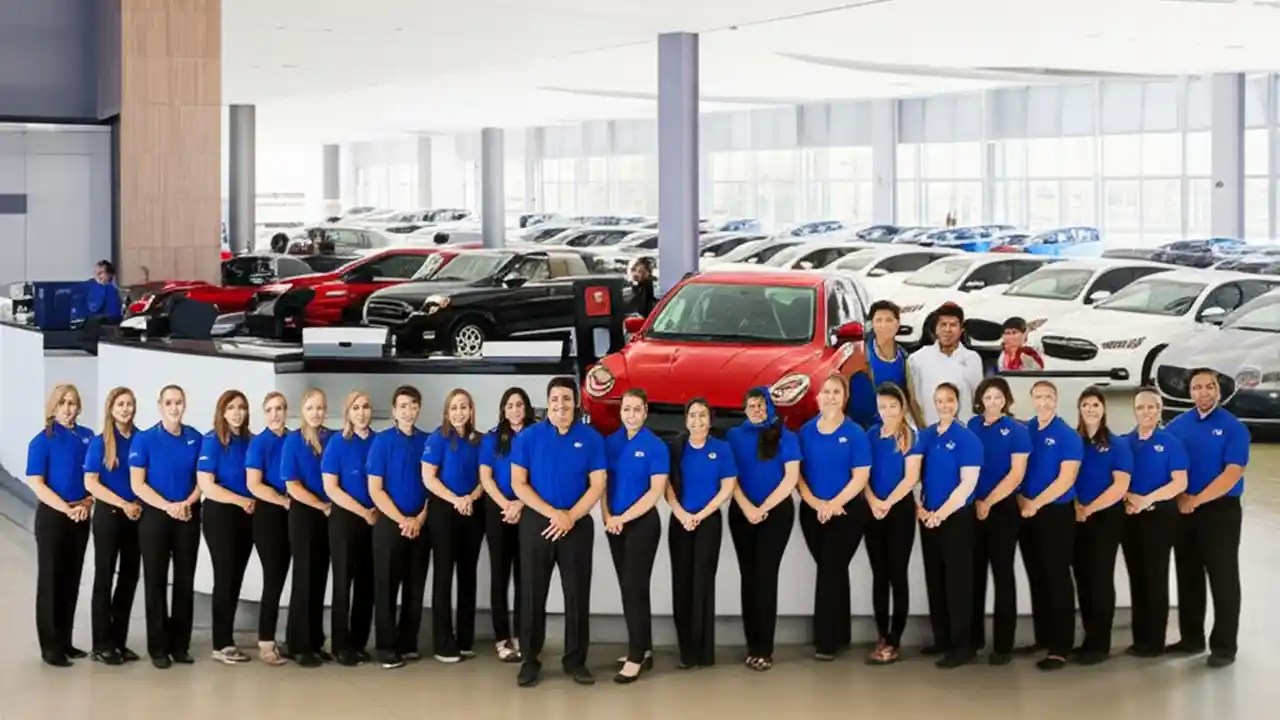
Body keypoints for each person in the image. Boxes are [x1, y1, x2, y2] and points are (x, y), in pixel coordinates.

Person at [510, 377, 607, 688]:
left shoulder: (591, 439)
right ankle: (530, 659)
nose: (561, 405)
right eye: (555, 399)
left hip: (577, 526)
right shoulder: (528, 437)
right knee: (532, 594)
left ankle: (575, 660)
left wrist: (570, 517)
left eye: (567, 399)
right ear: (547, 402)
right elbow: (518, 483)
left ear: (576, 403)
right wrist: (553, 514)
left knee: (577, 595)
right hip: (537, 523)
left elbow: (597, 484)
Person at [1165, 369, 1249, 668]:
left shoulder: (1234, 428)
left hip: (1219, 510)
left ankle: (1225, 646)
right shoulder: (1177, 426)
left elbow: (1232, 473)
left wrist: (1196, 499)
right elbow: (1166, 465)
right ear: (1190, 392)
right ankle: (1191, 638)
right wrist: (1179, 500)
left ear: (1218, 390)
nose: (1203, 392)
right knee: (1188, 575)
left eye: (1209, 387)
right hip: (1183, 509)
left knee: (1223, 577)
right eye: (1197, 387)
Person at [726, 387, 801, 672]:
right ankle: (751, 645)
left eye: (762, 405)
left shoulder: (785, 435)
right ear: (744, 408)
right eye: (752, 404)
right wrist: (747, 507)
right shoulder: (733, 436)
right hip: (742, 512)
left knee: (766, 578)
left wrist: (764, 507)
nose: (757, 409)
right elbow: (729, 477)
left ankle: (765, 649)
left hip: (776, 513)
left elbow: (791, 478)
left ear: (770, 407)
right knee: (749, 578)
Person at [797, 374, 871, 661]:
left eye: (836, 392)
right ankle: (841, 633)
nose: (830, 396)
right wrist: (817, 503)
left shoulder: (855, 433)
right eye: (825, 391)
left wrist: (834, 504)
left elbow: (861, 476)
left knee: (829, 569)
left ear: (845, 397)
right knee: (833, 570)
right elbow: (798, 475)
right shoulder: (805, 432)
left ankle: (826, 641)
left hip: (847, 512)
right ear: (817, 397)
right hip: (812, 510)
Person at [129, 385, 203, 669]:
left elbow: (202, 478)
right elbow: (138, 483)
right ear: (160, 405)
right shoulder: (144, 440)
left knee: (185, 581)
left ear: (185, 405)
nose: (174, 408)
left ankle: (180, 645)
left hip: (187, 514)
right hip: (156, 517)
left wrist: (188, 502)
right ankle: (158, 647)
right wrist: (167, 506)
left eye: (179, 402)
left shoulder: (195, 438)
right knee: (156, 581)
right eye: (169, 403)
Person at [912, 382, 983, 669]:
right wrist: (921, 510)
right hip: (927, 517)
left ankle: (962, 645)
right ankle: (941, 638)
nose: (944, 405)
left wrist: (940, 513)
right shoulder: (924, 436)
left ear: (958, 402)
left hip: (955, 518)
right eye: (939, 400)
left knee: (958, 583)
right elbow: (913, 477)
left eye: (950, 400)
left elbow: (967, 484)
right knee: (935, 579)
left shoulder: (967, 439)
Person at [602, 389, 669, 683]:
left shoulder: (655, 446)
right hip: (614, 525)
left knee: (634, 586)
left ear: (645, 412)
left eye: (637, 410)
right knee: (630, 588)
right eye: (626, 409)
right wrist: (607, 517)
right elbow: (602, 485)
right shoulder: (610, 443)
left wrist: (622, 518)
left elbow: (655, 492)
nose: (631, 415)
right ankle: (644, 646)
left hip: (642, 524)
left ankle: (635, 656)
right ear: (621, 412)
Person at [26, 384, 95, 667]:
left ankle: (66, 640)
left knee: (71, 580)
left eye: (73, 403)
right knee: (51, 580)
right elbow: (37, 484)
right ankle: (50, 646)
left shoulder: (89, 437)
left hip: (81, 514)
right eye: (63, 403)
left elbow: (95, 478)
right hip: (54, 517)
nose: (68, 408)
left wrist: (87, 504)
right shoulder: (41, 441)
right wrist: (67, 509)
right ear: (53, 407)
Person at [666, 397, 736, 669]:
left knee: (703, 585)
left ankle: (704, 651)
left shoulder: (722, 448)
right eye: (692, 416)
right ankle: (686, 651)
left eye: (702, 416)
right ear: (686, 420)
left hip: (708, 522)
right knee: (681, 585)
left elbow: (727, 486)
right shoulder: (676, 448)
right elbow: (667, 487)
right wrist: (682, 514)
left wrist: (700, 515)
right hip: (680, 522)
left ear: (710, 420)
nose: (697, 421)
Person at [1018, 380, 1082, 671]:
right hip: (1027, 513)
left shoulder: (1067, 435)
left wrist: (1035, 503)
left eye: (1048, 397)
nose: (1043, 402)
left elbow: (1065, 480)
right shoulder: (1026, 430)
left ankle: (1061, 646)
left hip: (1055, 513)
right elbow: (1017, 470)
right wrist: (1023, 501)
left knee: (1057, 578)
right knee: (1037, 576)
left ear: (1056, 400)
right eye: (1038, 397)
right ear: (1031, 399)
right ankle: (1043, 637)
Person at [966, 377, 1030, 664]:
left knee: (1002, 575)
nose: (992, 403)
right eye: (987, 398)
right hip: (973, 509)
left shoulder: (1018, 431)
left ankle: (1003, 645)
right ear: (980, 400)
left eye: (998, 397)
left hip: (1002, 509)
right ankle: (973, 638)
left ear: (1005, 399)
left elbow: (1016, 475)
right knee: (973, 575)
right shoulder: (972, 426)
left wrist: (988, 502)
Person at [367, 385, 431, 670]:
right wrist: (402, 520)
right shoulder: (381, 442)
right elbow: (376, 489)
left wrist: (419, 519)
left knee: (415, 586)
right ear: (394, 411)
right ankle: (386, 646)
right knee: (387, 586)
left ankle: (408, 642)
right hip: (391, 525)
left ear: (419, 408)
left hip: (421, 523)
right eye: (402, 405)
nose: (408, 410)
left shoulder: (428, 441)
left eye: (413, 405)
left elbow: (432, 486)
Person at [1122, 388, 1188, 658]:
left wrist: (1147, 499)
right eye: (1141, 408)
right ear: (1135, 411)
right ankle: (1140, 639)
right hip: (1130, 515)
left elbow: (1179, 482)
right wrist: (1131, 498)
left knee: (1155, 578)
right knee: (1136, 577)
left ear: (1159, 410)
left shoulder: (1171, 443)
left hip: (1159, 516)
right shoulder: (1125, 442)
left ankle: (1155, 642)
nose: (1146, 412)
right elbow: (1116, 477)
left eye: (1152, 407)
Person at [423, 389, 487, 664]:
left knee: (468, 574)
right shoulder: (437, 438)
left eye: (464, 407)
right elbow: (429, 477)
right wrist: (455, 500)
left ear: (471, 410)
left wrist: (471, 497)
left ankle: (464, 638)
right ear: (447, 412)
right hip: (444, 511)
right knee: (444, 575)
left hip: (472, 509)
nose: (459, 412)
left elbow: (487, 477)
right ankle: (443, 642)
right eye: (454, 408)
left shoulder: (480, 440)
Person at [1071, 387, 1133, 665]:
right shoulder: (1074, 442)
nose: (1091, 409)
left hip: (1105, 518)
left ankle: (1100, 644)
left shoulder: (1118, 444)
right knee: (1082, 578)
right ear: (1080, 409)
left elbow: (1120, 486)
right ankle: (1088, 637)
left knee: (1100, 578)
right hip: (1076, 517)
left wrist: (1090, 508)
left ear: (1103, 409)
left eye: (1095, 404)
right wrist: (1076, 507)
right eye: (1086, 404)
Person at [196, 390, 256, 665]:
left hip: (247, 515)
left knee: (236, 578)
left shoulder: (250, 441)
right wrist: (240, 499)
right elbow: (207, 485)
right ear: (222, 411)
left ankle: (228, 636)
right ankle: (221, 643)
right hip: (221, 514)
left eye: (241, 407)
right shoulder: (212, 441)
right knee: (225, 576)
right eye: (231, 407)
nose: (236, 412)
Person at [83, 387, 142, 666]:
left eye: (129, 404)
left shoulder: (141, 439)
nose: (125, 409)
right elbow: (91, 483)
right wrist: (123, 504)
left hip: (136, 516)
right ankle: (101, 644)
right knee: (104, 577)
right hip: (109, 515)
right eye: (120, 404)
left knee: (129, 578)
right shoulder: (100, 442)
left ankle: (119, 640)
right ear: (111, 408)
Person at [479, 387, 536, 664]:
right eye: (510, 405)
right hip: (498, 511)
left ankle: (522, 636)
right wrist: (507, 505)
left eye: (520, 404)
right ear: (503, 409)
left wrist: (521, 504)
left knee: (525, 576)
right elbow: (486, 478)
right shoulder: (492, 438)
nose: (515, 409)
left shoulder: (537, 436)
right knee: (500, 576)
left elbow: (540, 476)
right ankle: (502, 638)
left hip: (529, 510)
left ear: (527, 408)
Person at [321, 390, 377, 667]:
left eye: (366, 407)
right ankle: (341, 644)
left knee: (368, 583)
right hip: (346, 518)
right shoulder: (337, 443)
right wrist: (363, 511)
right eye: (356, 407)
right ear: (348, 412)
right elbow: (331, 487)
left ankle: (358, 642)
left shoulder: (379, 442)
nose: (362, 412)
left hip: (375, 519)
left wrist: (373, 513)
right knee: (343, 581)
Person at [862, 383, 917, 665]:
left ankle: (895, 639)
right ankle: (881, 635)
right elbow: (863, 476)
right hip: (873, 510)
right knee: (879, 575)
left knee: (898, 573)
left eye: (892, 406)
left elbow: (910, 479)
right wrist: (873, 501)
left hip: (900, 512)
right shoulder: (871, 435)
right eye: (882, 406)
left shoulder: (910, 436)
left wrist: (887, 503)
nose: (887, 412)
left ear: (902, 406)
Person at [281, 389, 334, 668]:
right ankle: (298, 644)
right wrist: (321, 506)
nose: (316, 412)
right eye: (311, 407)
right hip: (305, 513)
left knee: (319, 577)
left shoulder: (331, 438)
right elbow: (292, 485)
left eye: (321, 408)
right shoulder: (293, 441)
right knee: (304, 578)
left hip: (327, 513)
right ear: (303, 410)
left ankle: (315, 640)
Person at [245, 391, 292, 665]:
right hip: (269, 515)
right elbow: (254, 484)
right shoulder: (259, 443)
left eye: (280, 409)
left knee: (297, 576)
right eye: (270, 409)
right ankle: (266, 640)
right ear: (265, 413)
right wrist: (282, 500)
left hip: (294, 513)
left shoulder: (295, 438)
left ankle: (298, 637)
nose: (275, 414)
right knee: (273, 578)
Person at [908, 303, 983, 426]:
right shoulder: (918, 359)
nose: (947, 329)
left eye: (953, 325)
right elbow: (913, 400)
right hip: (930, 431)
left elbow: (978, 399)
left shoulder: (972, 359)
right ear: (936, 329)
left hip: (963, 431)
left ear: (961, 330)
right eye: (943, 324)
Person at [866, 301, 924, 426]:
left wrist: (923, 430)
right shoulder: (862, 353)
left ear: (897, 324)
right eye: (879, 320)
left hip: (894, 426)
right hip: (867, 427)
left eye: (889, 320)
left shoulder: (904, 358)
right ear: (872, 324)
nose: (883, 325)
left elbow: (911, 400)